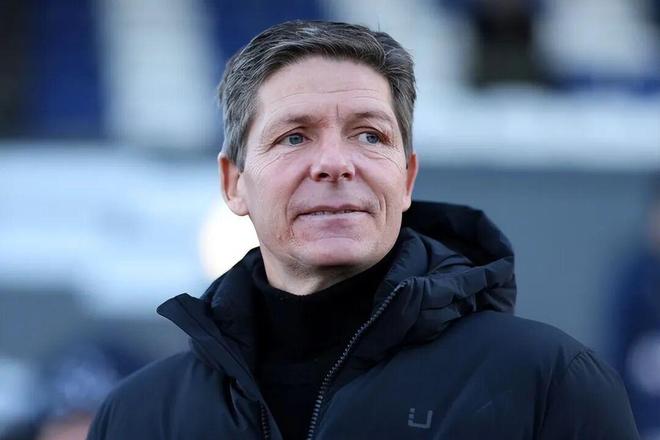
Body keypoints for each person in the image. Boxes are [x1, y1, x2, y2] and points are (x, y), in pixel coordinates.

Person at [87, 20, 639, 439]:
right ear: (234, 183)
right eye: (294, 137)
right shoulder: (137, 416)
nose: (335, 164)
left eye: (369, 136)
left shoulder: (548, 382)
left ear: (407, 178)